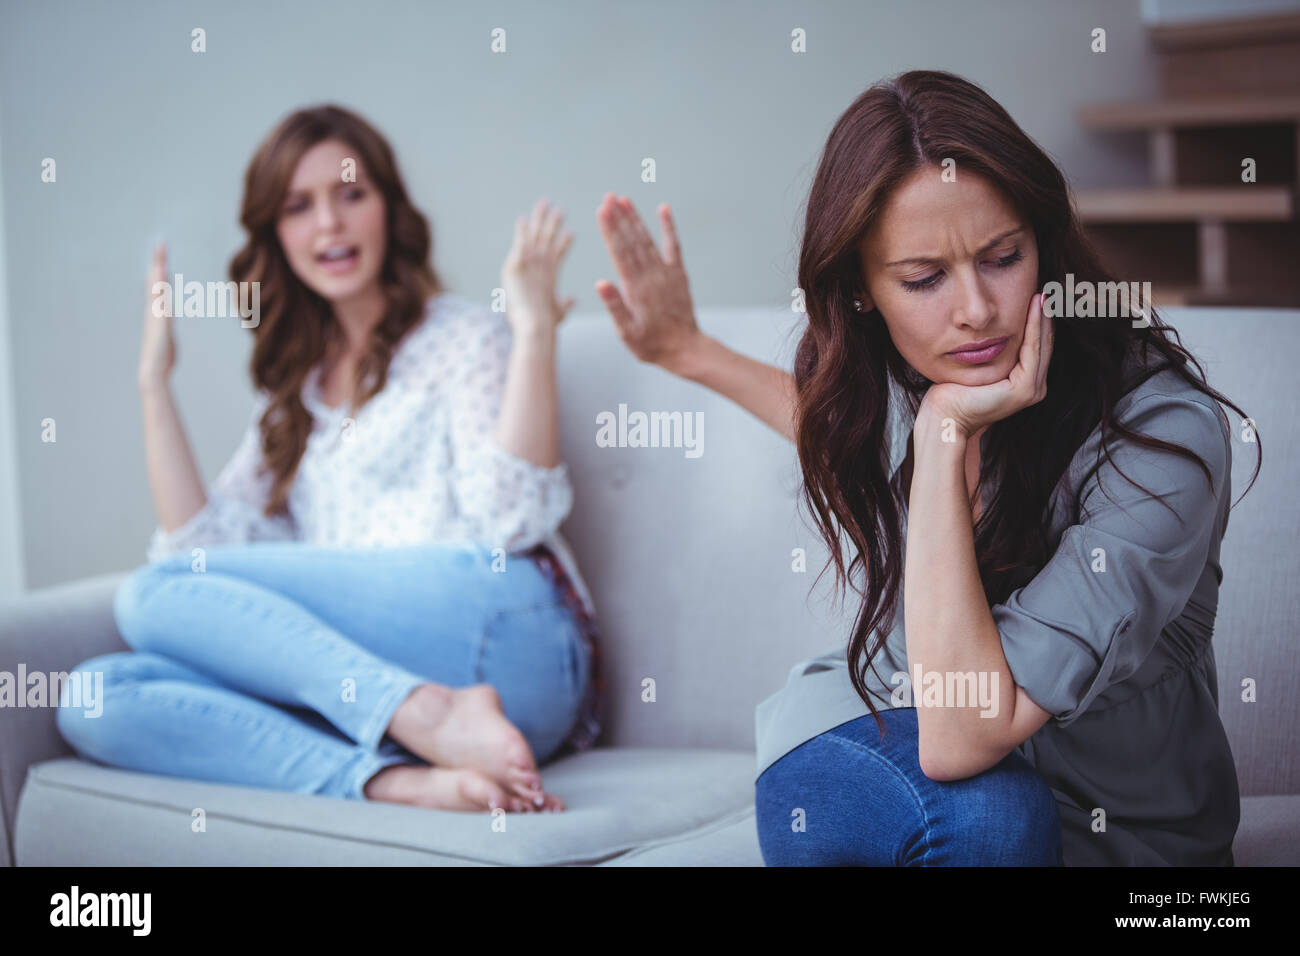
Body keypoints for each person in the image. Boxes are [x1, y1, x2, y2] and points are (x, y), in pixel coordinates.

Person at [591, 69, 1259, 865]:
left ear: (1044, 245)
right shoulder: (920, 384)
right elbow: (828, 424)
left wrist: (943, 432)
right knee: (993, 819)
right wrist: (688, 352)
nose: (975, 309)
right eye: (924, 279)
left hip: (1117, 836)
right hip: (877, 737)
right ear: (863, 291)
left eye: (1002, 257)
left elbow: (966, 730)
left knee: (1002, 820)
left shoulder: (1161, 438)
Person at [57, 105, 603, 815]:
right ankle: (393, 780)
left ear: (390, 210)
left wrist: (532, 334)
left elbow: (513, 520)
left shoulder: (464, 337)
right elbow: (200, 553)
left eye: (351, 194)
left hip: (511, 640)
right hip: (384, 687)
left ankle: (428, 712)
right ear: (275, 235)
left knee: (148, 595)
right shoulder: (296, 395)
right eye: (298, 206)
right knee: (95, 696)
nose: (329, 224)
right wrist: (154, 385)